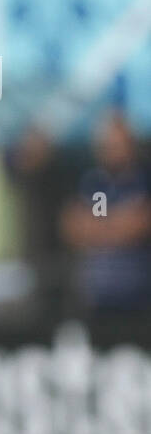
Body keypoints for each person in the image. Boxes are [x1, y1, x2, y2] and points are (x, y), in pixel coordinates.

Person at [60, 112, 151, 314]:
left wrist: (100, 227)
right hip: (96, 297)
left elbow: (139, 224)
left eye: (117, 144)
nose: (111, 150)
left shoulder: (143, 179)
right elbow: (74, 227)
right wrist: (116, 224)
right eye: (106, 144)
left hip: (138, 299)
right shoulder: (92, 181)